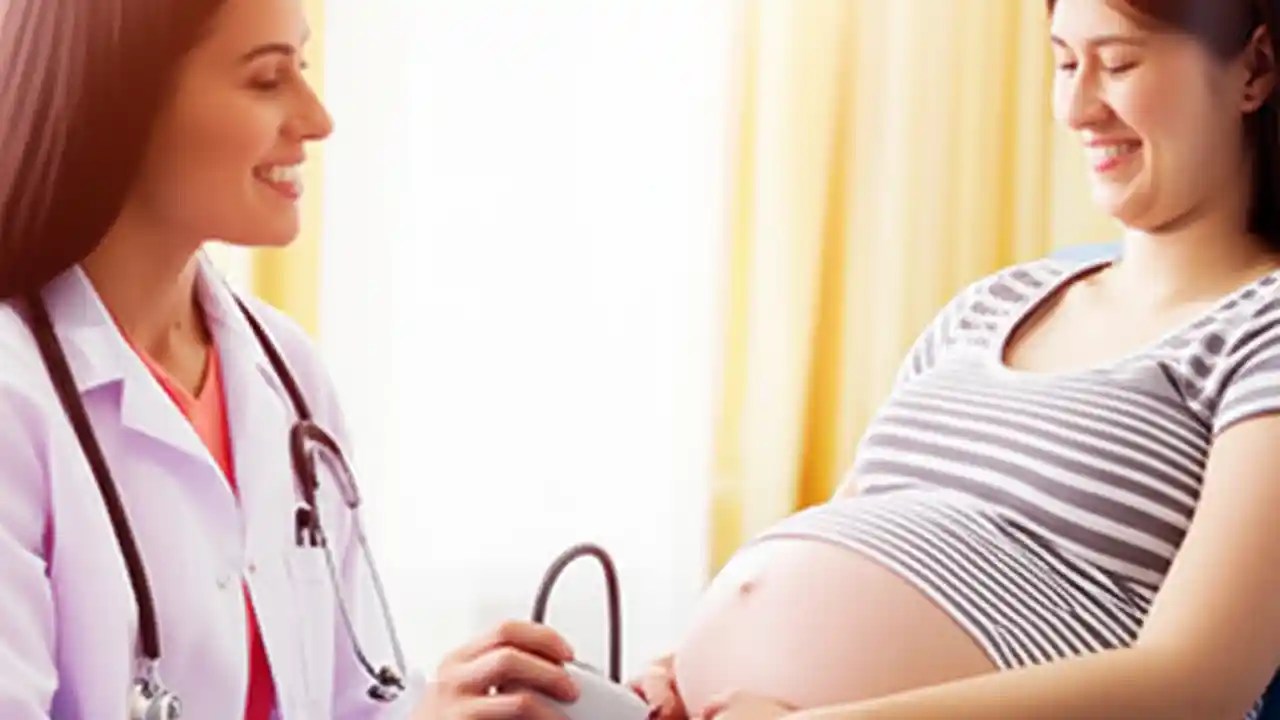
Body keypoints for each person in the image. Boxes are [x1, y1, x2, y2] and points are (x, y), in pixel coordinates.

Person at [627, 0, 1280, 718]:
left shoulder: (1263, 328)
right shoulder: (992, 305)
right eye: (1065, 63)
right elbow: (861, 532)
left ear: (1255, 69)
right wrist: (674, 674)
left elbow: (1199, 682)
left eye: (1119, 64)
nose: (1076, 109)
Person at [0, 0, 582, 718]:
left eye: (301, 69)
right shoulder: (16, 396)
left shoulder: (284, 371)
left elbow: (348, 698)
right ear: (124, 99)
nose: (317, 119)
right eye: (268, 78)